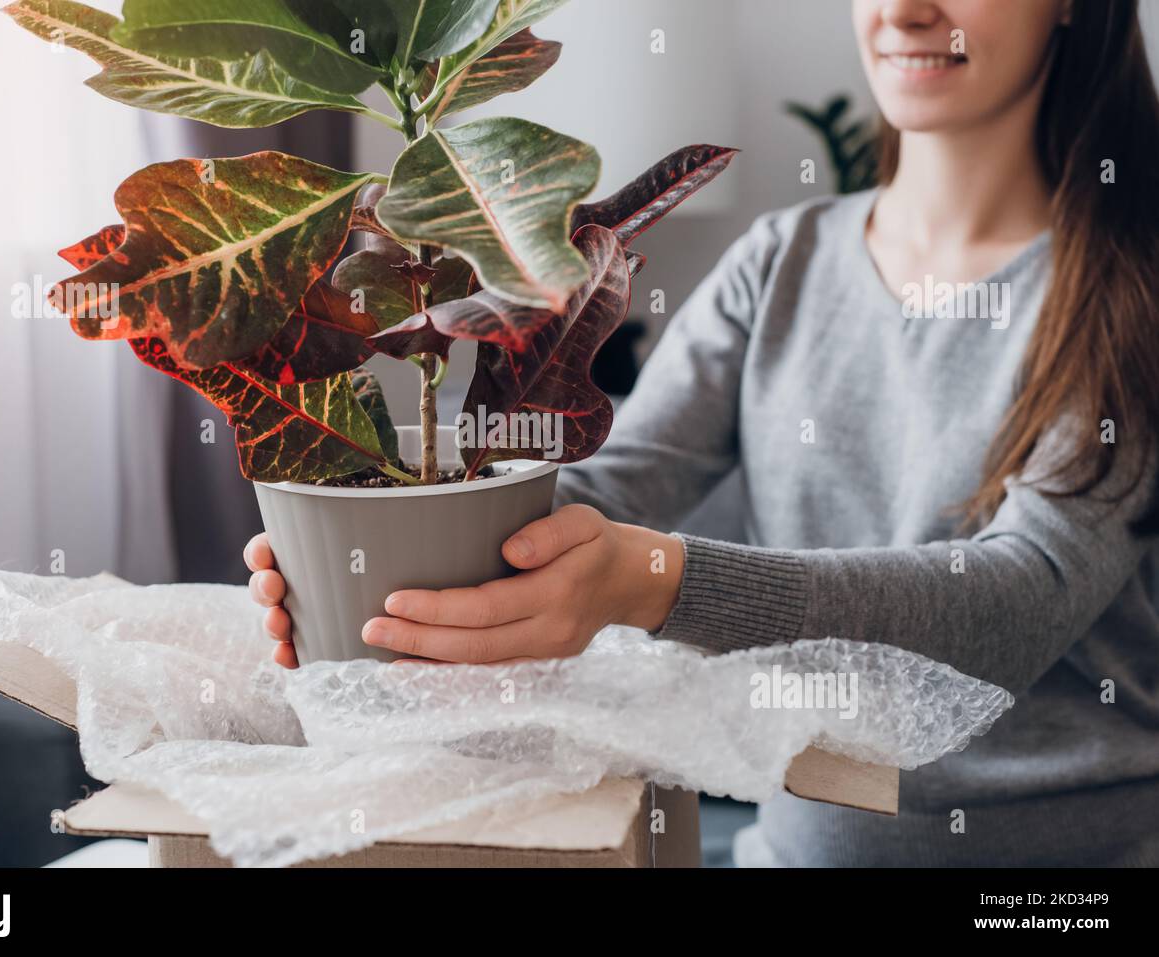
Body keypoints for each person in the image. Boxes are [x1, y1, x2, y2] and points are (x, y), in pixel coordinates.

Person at [244, 0, 1159, 866]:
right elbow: (608, 487)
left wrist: (650, 581)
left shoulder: (1131, 291)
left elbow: (1018, 601)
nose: (907, 9)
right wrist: (371, 549)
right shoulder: (780, 261)